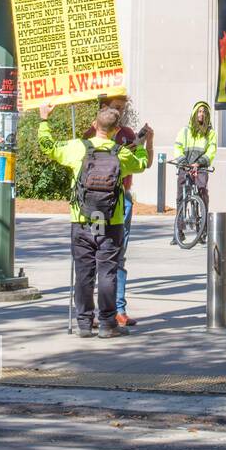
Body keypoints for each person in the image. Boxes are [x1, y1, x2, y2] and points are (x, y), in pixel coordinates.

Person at [37, 103, 151, 338]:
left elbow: (47, 146)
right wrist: (142, 144)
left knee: (84, 272)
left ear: (94, 125)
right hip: (111, 219)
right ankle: (108, 324)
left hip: (81, 218)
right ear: (116, 129)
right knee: (107, 271)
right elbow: (141, 165)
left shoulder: (77, 148)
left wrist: (44, 120)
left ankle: (84, 324)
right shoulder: (121, 153)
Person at [84, 94, 141, 328]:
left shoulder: (126, 132)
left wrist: (144, 143)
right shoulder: (90, 135)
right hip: (96, 203)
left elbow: (140, 165)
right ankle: (93, 313)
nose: (121, 112)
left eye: (123, 108)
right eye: (117, 108)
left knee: (118, 256)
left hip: (122, 201)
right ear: (104, 108)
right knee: (96, 254)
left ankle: (118, 308)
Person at [173, 100, 217, 215]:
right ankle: (179, 228)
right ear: (194, 113)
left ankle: (203, 225)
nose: (201, 114)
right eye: (199, 111)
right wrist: (183, 162)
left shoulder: (210, 133)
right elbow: (177, 147)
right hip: (185, 166)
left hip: (201, 168)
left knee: (202, 192)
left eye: (204, 112)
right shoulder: (185, 131)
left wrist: (199, 163)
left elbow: (211, 151)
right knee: (180, 197)